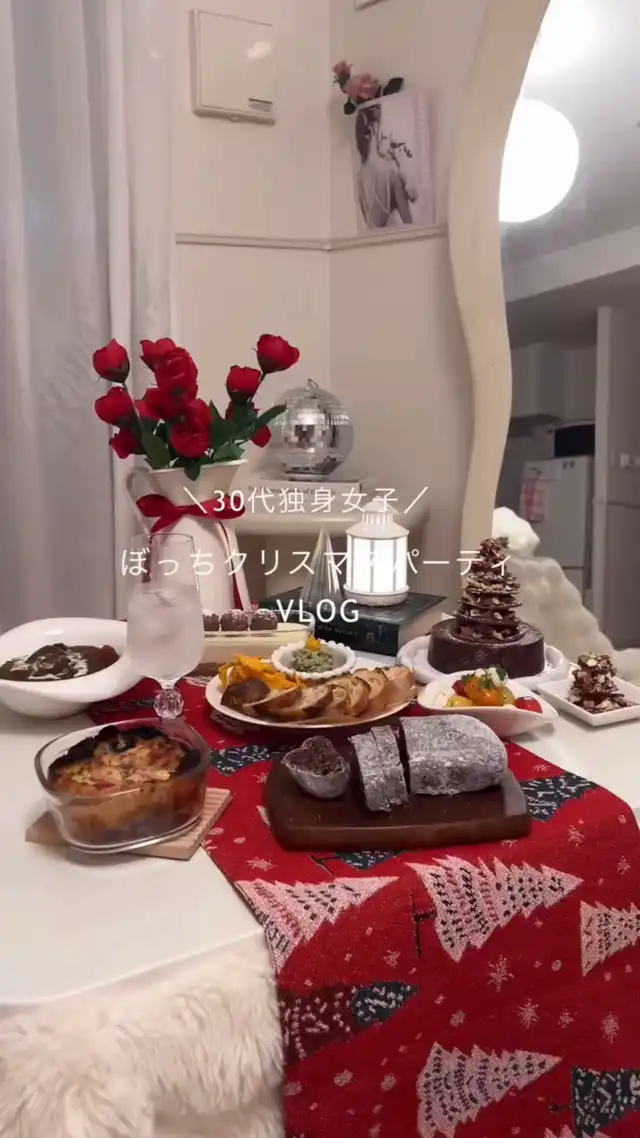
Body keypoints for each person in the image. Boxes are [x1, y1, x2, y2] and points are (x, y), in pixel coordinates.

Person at [355, 105, 412, 229]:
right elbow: (410, 225)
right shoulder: (390, 173)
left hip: (372, 238)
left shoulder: (360, 175)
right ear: (375, 128)